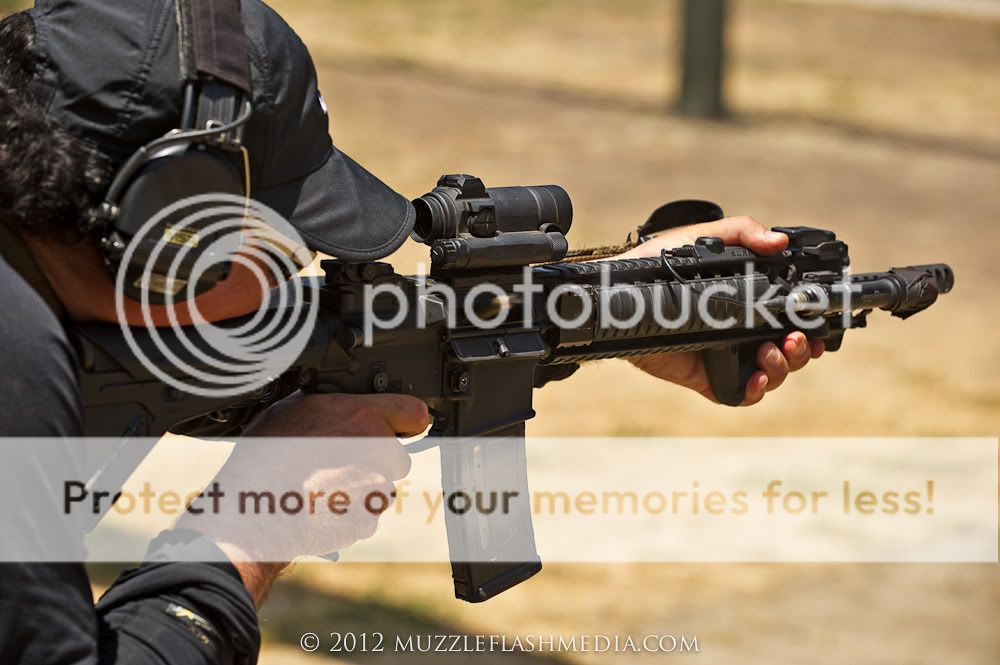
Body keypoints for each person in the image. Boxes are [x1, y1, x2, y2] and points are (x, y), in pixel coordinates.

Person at [0, 2, 824, 664]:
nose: (307, 261)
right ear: (169, 228)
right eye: (284, 230)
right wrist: (251, 525)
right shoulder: (22, 365)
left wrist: (618, 297)